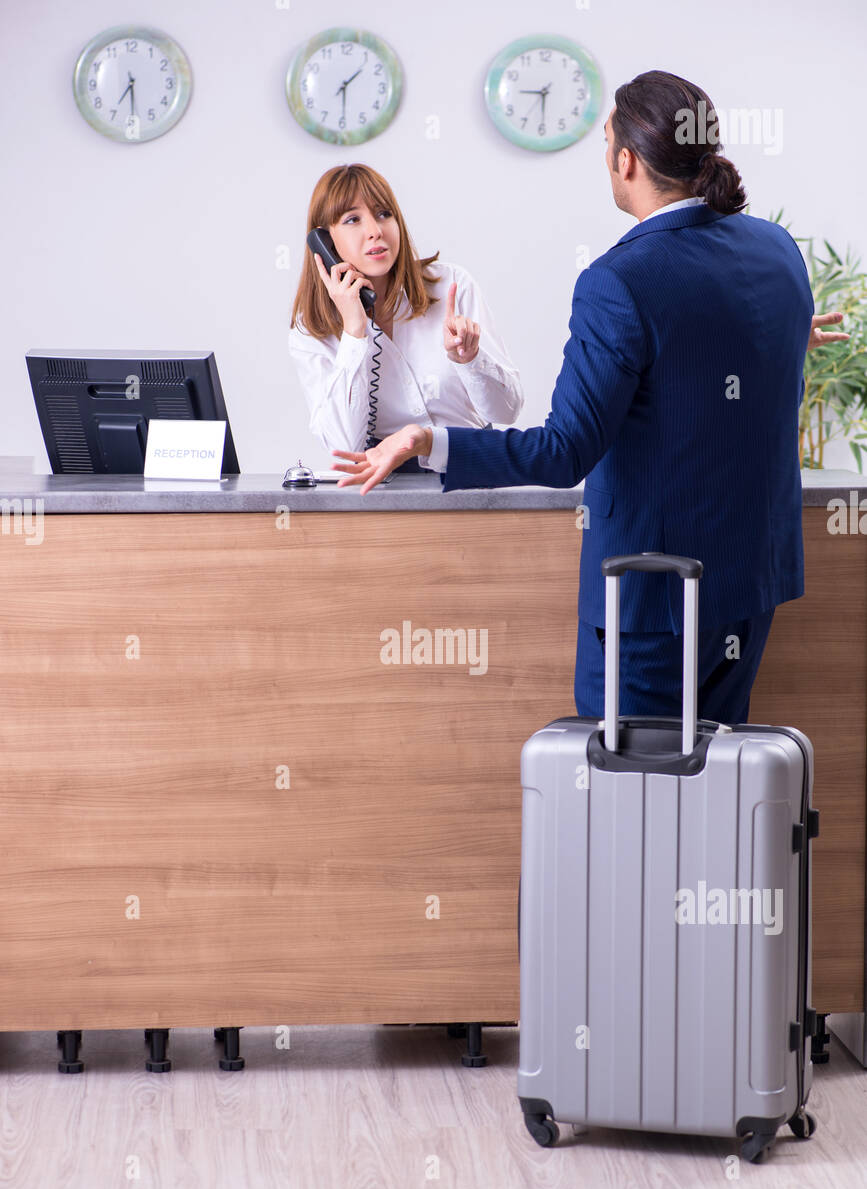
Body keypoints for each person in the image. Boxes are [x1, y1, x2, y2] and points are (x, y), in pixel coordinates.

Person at [331, 71, 847, 725]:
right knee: (719, 787)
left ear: (625, 160)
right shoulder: (773, 248)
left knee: (632, 805)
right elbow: (752, 393)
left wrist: (427, 442)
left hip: (656, 602)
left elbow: (563, 451)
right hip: (750, 584)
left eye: (604, 142)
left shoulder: (617, 280)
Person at [288, 163, 522, 473]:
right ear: (325, 243)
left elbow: (508, 411)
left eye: (384, 214)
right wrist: (354, 332)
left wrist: (471, 360)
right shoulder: (311, 332)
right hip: (388, 491)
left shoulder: (451, 285)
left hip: (472, 472)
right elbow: (343, 447)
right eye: (353, 219)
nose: (375, 231)